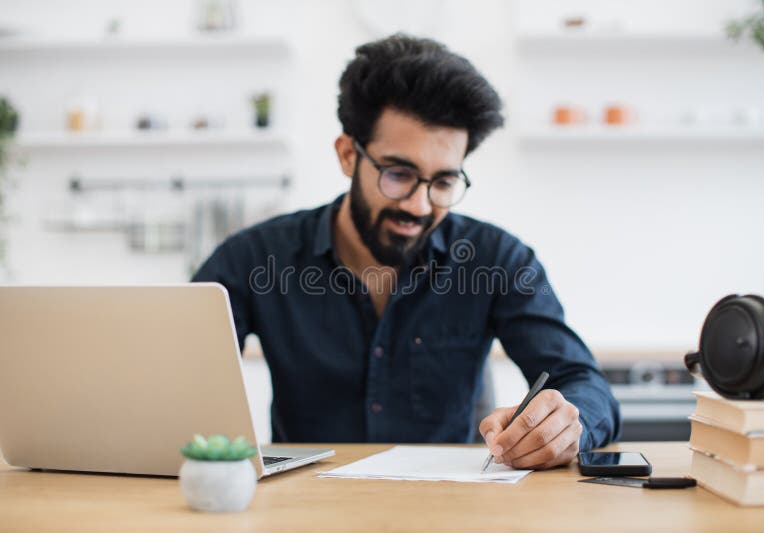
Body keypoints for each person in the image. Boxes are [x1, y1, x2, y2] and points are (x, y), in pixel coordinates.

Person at [192, 34, 620, 470]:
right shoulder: (256, 258)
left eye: (443, 183)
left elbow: (582, 382)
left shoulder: (497, 260)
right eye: (399, 174)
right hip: (306, 507)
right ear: (346, 155)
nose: (418, 206)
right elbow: (175, 376)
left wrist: (568, 426)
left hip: (447, 508)